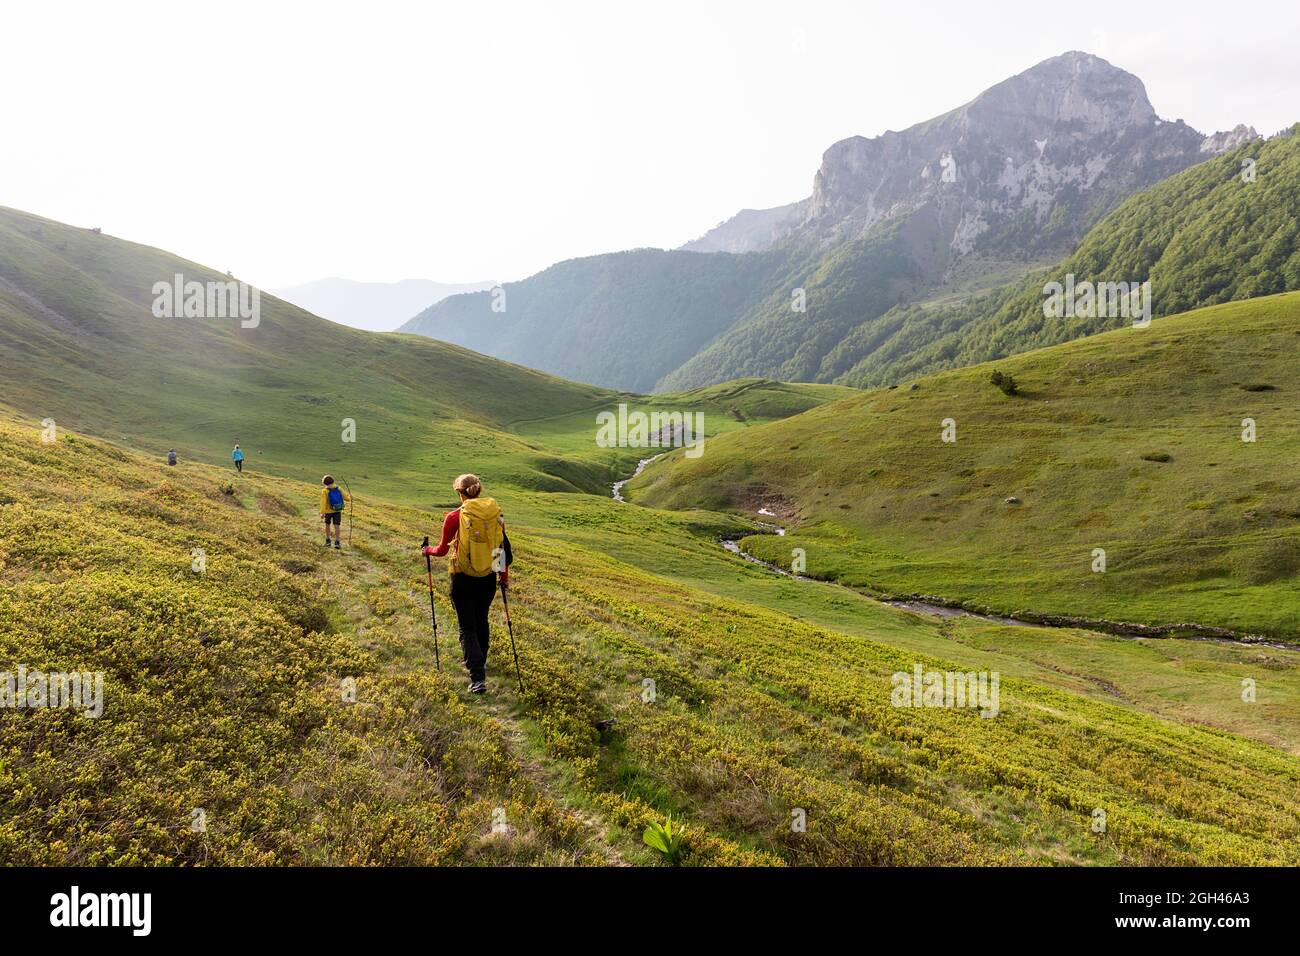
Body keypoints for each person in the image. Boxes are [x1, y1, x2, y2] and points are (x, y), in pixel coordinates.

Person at [422, 474, 512, 694]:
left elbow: (442, 550)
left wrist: (427, 551)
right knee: (481, 619)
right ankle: (480, 660)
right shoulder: (494, 514)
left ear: (458, 493)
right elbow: (499, 547)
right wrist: (504, 576)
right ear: (478, 490)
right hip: (488, 577)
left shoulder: (455, 517)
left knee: (466, 626)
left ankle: (477, 676)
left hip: (462, 577)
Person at [319, 475, 350, 549]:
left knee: (327, 525)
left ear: (325, 483)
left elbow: (323, 502)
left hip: (328, 511)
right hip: (337, 510)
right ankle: (337, 542)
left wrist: (322, 512)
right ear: (333, 481)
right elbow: (346, 498)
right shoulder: (339, 488)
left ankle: (328, 541)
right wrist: (349, 498)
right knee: (337, 526)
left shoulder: (325, 491)